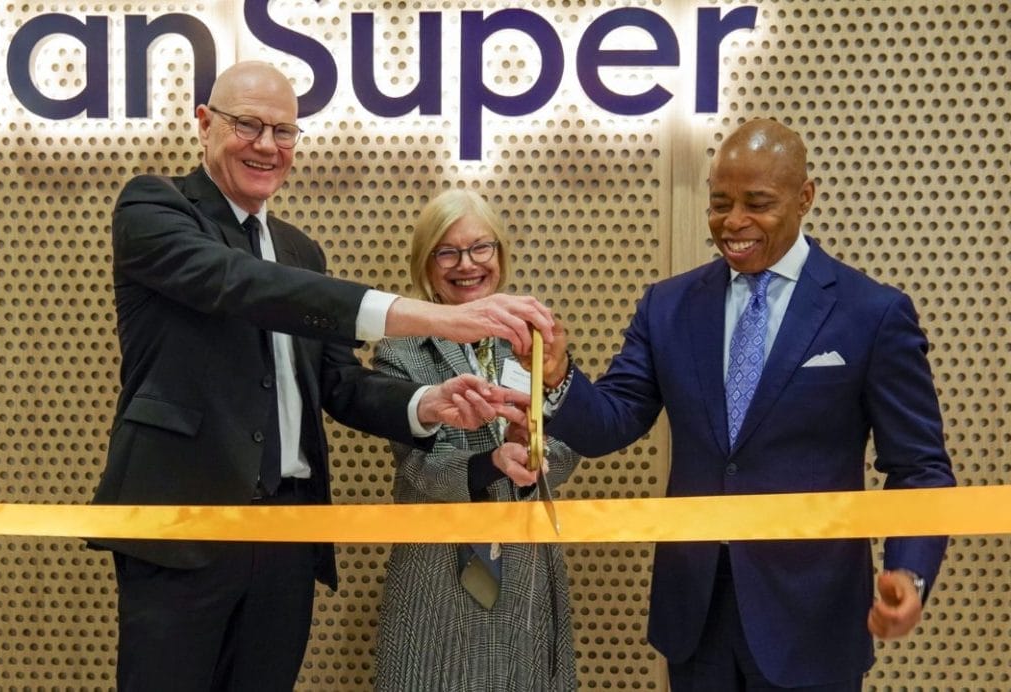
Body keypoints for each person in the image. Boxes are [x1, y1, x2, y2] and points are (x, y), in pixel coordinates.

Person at [87, 61, 555, 691]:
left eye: (283, 131)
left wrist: (427, 404)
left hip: (289, 531)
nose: (267, 145)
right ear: (203, 123)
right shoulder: (154, 206)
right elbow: (242, 284)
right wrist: (439, 319)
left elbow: (340, 383)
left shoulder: (302, 250)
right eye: (247, 125)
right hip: (182, 530)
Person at [541, 119, 955, 691]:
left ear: (805, 197)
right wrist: (558, 377)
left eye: (757, 203)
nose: (733, 222)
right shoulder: (668, 306)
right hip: (696, 613)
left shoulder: (872, 313)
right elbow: (612, 421)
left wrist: (910, 571)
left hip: (813, 618)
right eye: (720, 204)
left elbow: (920, 467)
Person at [371, 190, 582, 691]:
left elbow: (573, 437)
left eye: (480, 248)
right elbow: (416, 468)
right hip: (437, 574)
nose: (467, 265)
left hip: (526, 570)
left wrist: (535, 452)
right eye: (447, 252)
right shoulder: (401, 352)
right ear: (426, 264)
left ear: (500, 255)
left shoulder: (535, 336)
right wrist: (491, 461)